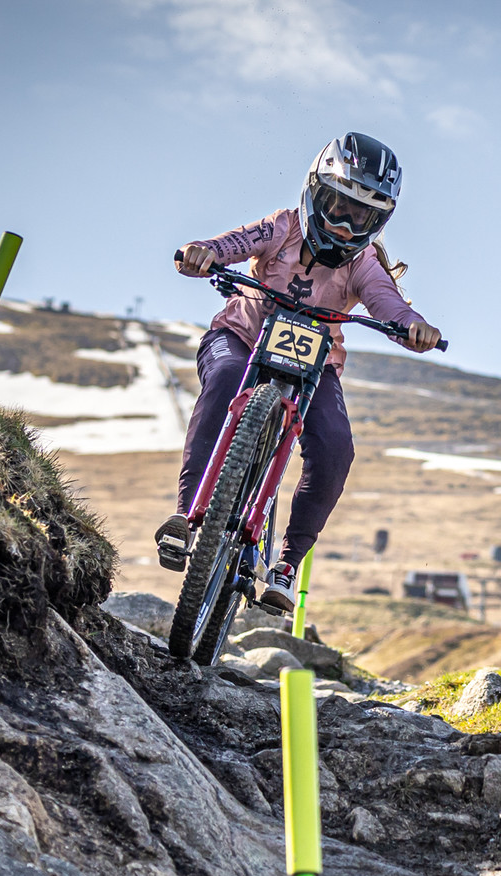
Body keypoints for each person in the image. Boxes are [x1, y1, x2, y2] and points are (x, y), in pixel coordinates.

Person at [156, 132, 443, 612]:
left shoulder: (364, 264)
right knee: (225, 381)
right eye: (337, 206)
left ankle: (286, 566)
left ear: (378, 223)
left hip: (315, 367)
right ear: (314, 192)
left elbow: (388, 303)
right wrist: (201, 252)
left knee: (335, 448)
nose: (345, 226)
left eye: (361, 217)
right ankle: (186, 516)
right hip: (240, 337)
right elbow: (228, 244)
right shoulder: (281, 228)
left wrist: (413, 327)